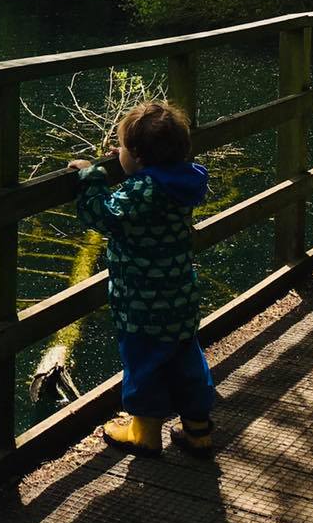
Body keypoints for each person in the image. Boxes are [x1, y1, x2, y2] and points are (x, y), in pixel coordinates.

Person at [67, 99, 215, 457]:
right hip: (180, 295)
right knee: (186, 361)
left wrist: (92, 176)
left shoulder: (142, 191)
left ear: (137, 155)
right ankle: (198, 431)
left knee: (143, 364)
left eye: (124, 149)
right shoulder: (184, 179)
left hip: (142, 301)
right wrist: (129, 157)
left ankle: (143, 433)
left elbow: (103, 215)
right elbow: (147, 182)